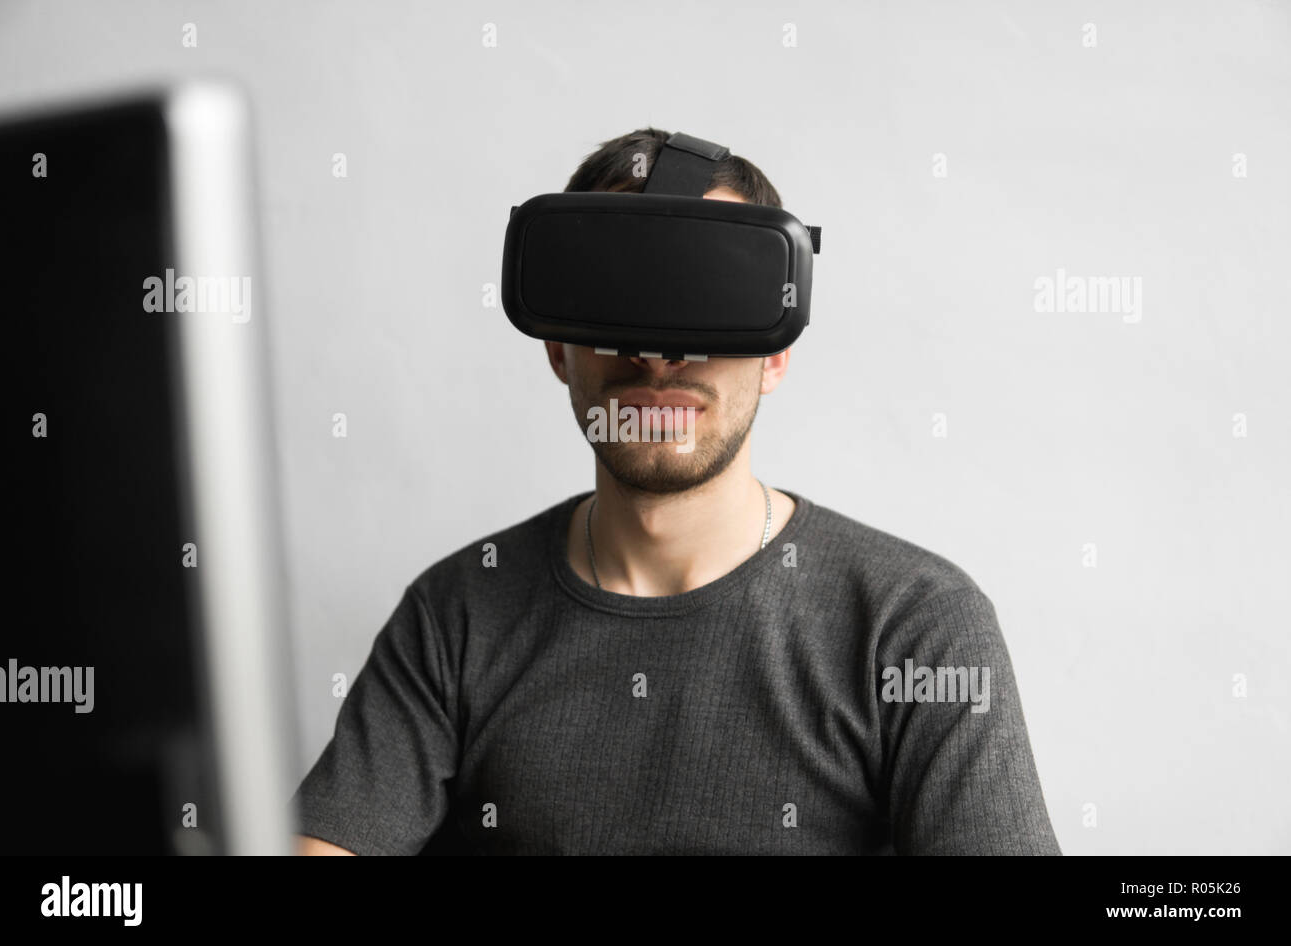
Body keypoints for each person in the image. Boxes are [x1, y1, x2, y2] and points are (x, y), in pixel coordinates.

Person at [292, 128, 1061, 855]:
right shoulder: (459, 612)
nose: (658, 358)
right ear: (559, 346)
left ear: (776, 353)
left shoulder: (914, 624)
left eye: (707, 300)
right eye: (618, 301)